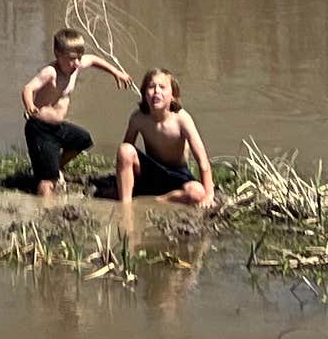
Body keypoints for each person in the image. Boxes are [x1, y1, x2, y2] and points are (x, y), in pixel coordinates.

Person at [19, 27, 131, 200]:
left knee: (83, 139)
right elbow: (28, 88)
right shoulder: (51, 72)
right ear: (57, 54)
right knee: (47, 181)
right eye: (71, 59)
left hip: (58, 127)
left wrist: (116, 72)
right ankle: (44, 207)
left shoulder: (76, 67)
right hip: (40, 129)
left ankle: (56, 166)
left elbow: (93, 60)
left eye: (79, 57)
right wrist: (30, 106)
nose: (77, 63)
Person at [117, 66, 215, 210]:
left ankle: (158, 199)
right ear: (144, 94)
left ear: (173, 95)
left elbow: (202, 160)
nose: (157, 91)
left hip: (177, 174)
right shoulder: (138, 118)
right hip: (151, 171)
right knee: (124, 149)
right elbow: (125, 155)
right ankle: (125, 205)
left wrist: (209, 195)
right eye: (151, 87)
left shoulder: (182, 119)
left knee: (197, 193)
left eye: (162, 87)